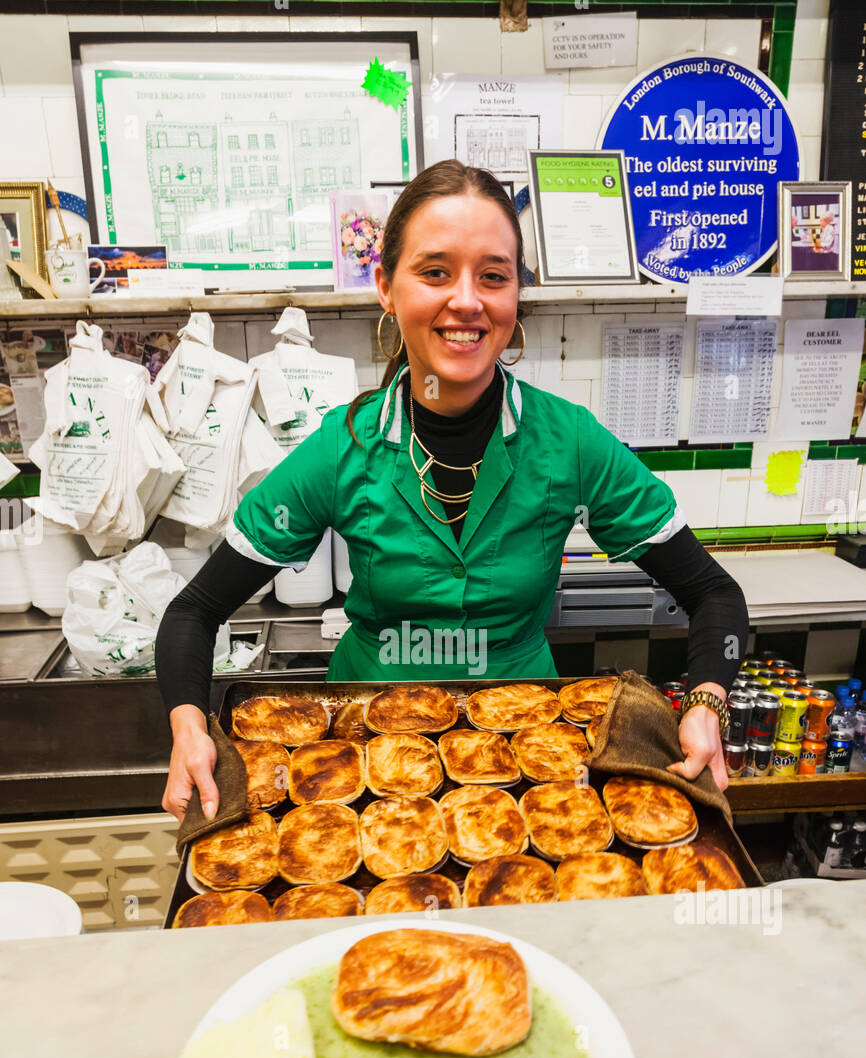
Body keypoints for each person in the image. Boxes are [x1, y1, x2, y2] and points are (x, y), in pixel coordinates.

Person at [155, 160, 748, 822]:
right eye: (435, 272)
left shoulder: (568, 442)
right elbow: (193, 612)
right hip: (361, 766)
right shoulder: (344, 447)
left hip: (530, 763)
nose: (466, 300)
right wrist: (188, 727)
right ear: (385, 287)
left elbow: (713, 594)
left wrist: (706, 703)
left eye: (492, 276)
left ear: (514, 295)